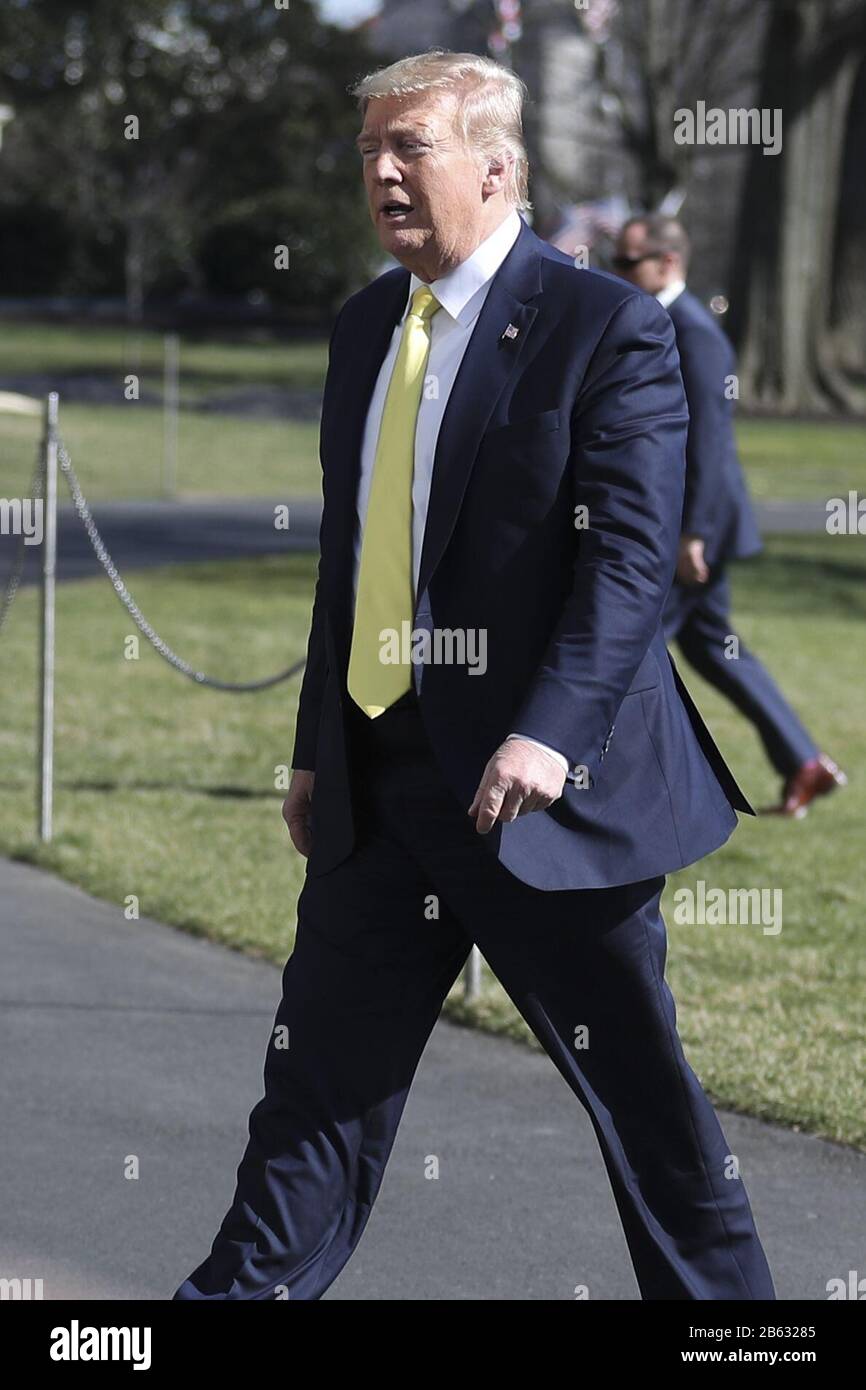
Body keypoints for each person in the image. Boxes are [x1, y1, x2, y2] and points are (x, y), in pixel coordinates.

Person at [173, 51, 776, 1301]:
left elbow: (627, 564)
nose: (381, 174)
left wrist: (547, 734)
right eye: (368, 151)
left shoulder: (602, 325)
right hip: (380, 785)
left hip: (539, 797)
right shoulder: (362, 328)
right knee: (313, 1096)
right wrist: (316, 746)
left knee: (644, 1110)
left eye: (411, 147)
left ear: (496, 168)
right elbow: (350, 564)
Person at [613, 214, 846, 817]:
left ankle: (616, 790)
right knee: (714, 647)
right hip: (687, 530)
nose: (616, 272)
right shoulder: (658, 323)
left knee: (624, 647)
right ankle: (805, 763)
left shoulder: (694, 333)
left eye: (628, 262)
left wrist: (695, 533)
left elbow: (710, 444)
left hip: (693, 533)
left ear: (668, 263)